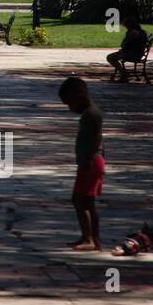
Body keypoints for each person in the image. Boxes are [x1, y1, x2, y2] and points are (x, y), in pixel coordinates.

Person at [59, 76, 104, 251]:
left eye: (70, 103)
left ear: (80, 96)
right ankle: (94, 238)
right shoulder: (92, 113)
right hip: (95, 161)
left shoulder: (91, 115)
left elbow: (94, 141)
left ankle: (89, 239)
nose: (70, 108)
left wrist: (86, 160)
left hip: (90, 163)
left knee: (79, 200)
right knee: (88, 201)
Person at [107, 16, 149, 82]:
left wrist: (122, 49)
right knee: (113, 56)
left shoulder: (133, 33)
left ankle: (124, 74)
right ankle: (124, 73)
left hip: (133, 54)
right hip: (137, 53)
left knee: (110, 57)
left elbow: (124, 45)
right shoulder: (140, 31)